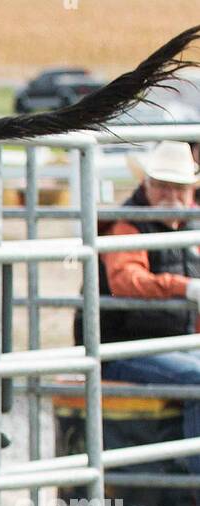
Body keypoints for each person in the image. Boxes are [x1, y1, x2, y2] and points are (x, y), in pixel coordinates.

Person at [85, 141, 200, 442]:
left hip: (174, 344)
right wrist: (184, 287)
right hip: (126, 348)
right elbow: (127, 280)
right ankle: (193, 482)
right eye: (162, 187)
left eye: (179, 188)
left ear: (191, 193)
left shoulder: (190, 228)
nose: (171, 197)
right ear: (146, 185)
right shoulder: (128, 226)